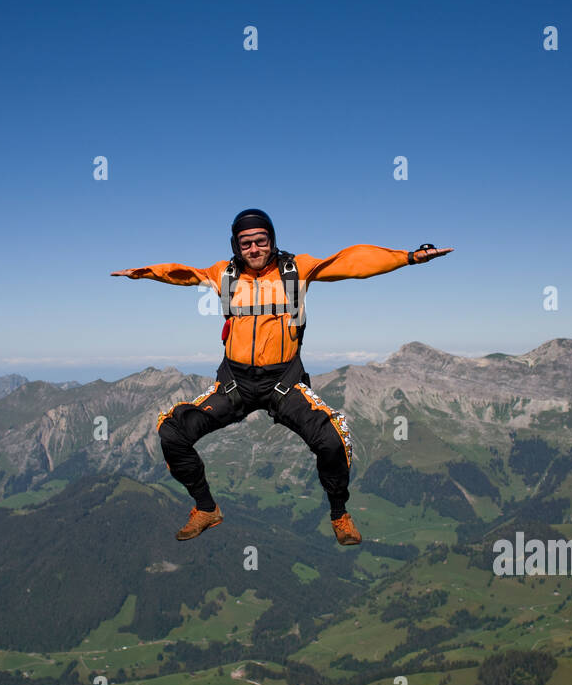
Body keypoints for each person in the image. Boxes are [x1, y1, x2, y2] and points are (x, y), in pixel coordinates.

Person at [111, 209, 452, 545]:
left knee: (332, 440)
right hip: (235, 384)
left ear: (272, 240)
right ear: (235, 246)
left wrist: (409, 257)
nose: (254, 249)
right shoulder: (225, 274)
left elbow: (351, 262)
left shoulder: (295, 269)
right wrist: (144, 273)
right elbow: (185, 274)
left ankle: (339, 514)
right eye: (246, 244)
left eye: (261, 241)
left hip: (283, 384)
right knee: (172, 432)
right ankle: (206, 508)